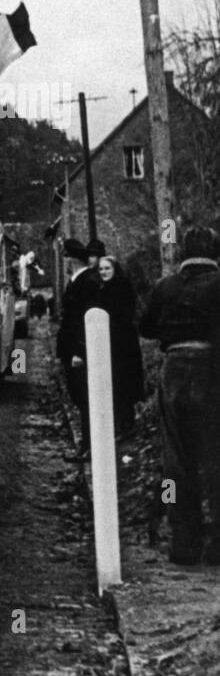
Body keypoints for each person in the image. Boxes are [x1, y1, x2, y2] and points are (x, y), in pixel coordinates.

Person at [140, 227, 220, 565]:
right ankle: (217, 542)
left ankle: (183, 543)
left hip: (173, 370)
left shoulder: (166, 286)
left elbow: (145, 327)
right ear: (214, 253)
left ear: (184, 253)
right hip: (212, 370)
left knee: (176, 460)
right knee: (215, 457)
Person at [55, 236, 106, 449]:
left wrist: (79, 351)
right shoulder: (78, 280)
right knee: (79, 396)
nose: (65, 262)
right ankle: (87, 443)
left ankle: (89, 445)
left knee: (84, 397)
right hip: (71, 348)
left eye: (66, 258)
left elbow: (84, 319)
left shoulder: (87, 282)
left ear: (72, 260)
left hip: (78, 350)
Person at [89, 255, 145, 435]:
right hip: (107, 342)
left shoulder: (122, 287)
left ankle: (126, 425)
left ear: (115, 270)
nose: (104, 272)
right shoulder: (101, 289)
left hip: (122, 343)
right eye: (101, 269)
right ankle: (116, 425)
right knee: (110, 382)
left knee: (123, 383)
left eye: (107, 268)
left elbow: (125, 314)